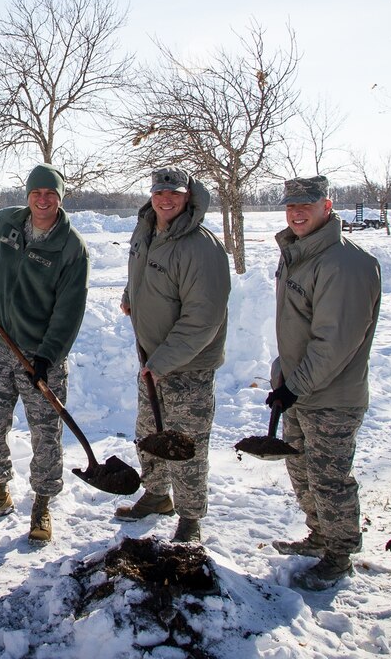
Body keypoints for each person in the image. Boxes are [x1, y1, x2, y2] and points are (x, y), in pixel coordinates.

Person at [0, 163, 89, 544]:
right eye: (36, 193)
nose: (43, 199)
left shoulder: (71, 247)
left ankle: (42, 504)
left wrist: (47, 358)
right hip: (0, 345)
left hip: (39, 356)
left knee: (45, 434)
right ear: (28, 196)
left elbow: (69, 312)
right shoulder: (10, 223)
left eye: (50, 193)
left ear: (60, 198)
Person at [267, 175, 381, 590]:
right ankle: (319, 536)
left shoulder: (344, 263)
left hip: (331, 396)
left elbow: (335, 341)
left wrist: (294, 386)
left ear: (327, 207)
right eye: (291, 206)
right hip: (299, 389)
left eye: (307, 205)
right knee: (301, 469)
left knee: (329, 476)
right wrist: (284, 377)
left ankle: (340, 554)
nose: (296, 212)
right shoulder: (300, 253)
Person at [114, 166, 230, 544]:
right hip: (152, 360)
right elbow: (143, 272)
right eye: (160, 192)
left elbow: (203, 318)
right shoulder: (147, 228)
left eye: (174, 193)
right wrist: (132, 295)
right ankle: (157, 495)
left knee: (186, 446)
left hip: (187, 367)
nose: (166, 199)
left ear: (188, 197)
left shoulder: (200, 246)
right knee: (149, 434)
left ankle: (191, 518)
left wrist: (160, 364)